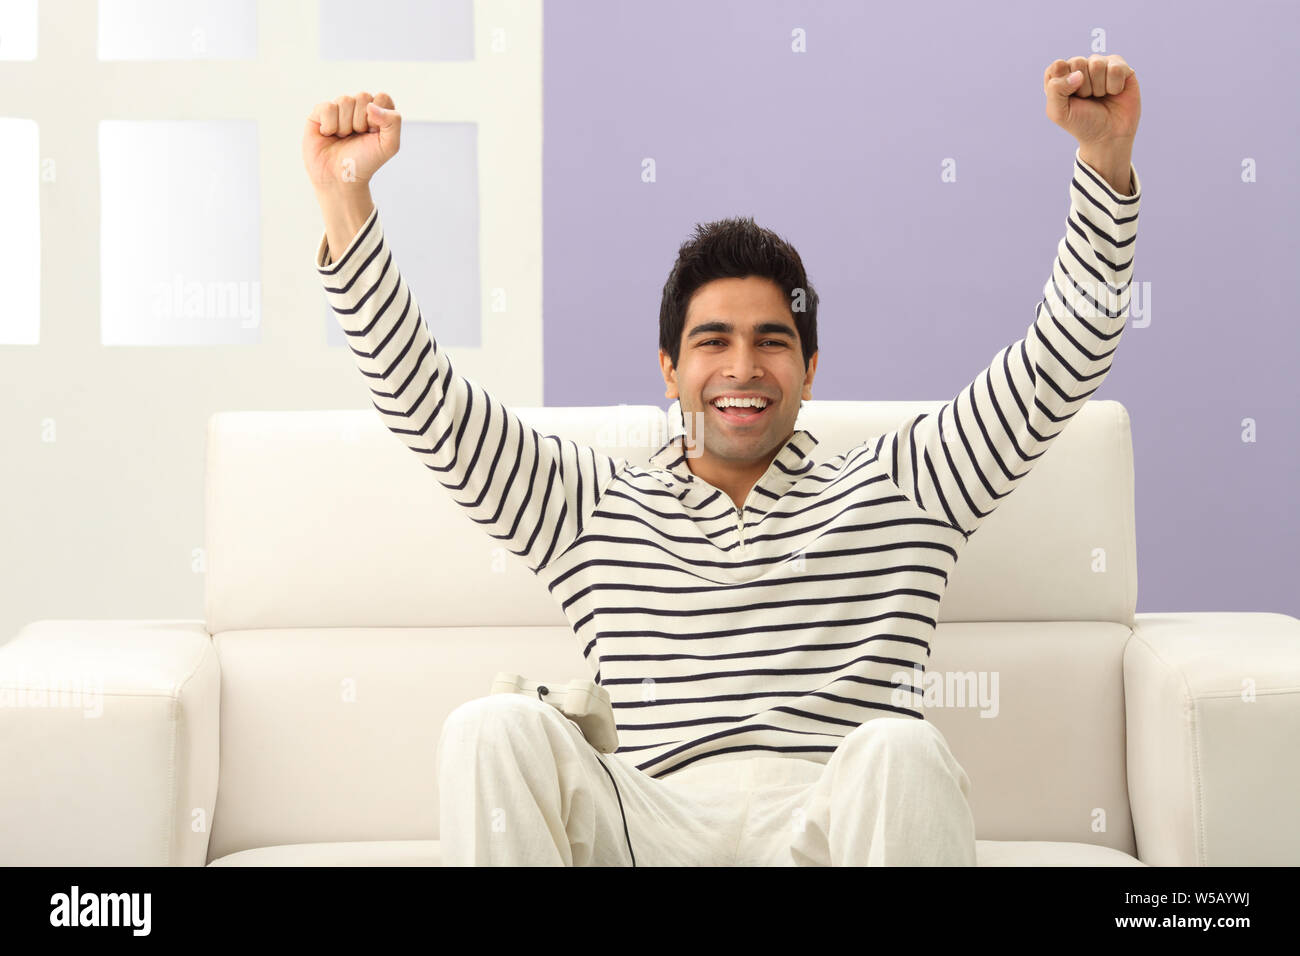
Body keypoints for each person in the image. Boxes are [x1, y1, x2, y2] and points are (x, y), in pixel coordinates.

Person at [301, 54, 1142, 866]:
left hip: (831, 819)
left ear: (809, 369)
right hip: (648, 820)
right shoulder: (586, 505)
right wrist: (346, 201)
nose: (742, 368)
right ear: (670, 368)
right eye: (713, 341)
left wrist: (1104, 162)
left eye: (772, 341)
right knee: (489, 726)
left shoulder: (906, 485)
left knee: (903, 748)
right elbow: (427, 406)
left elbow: (1063, 354)